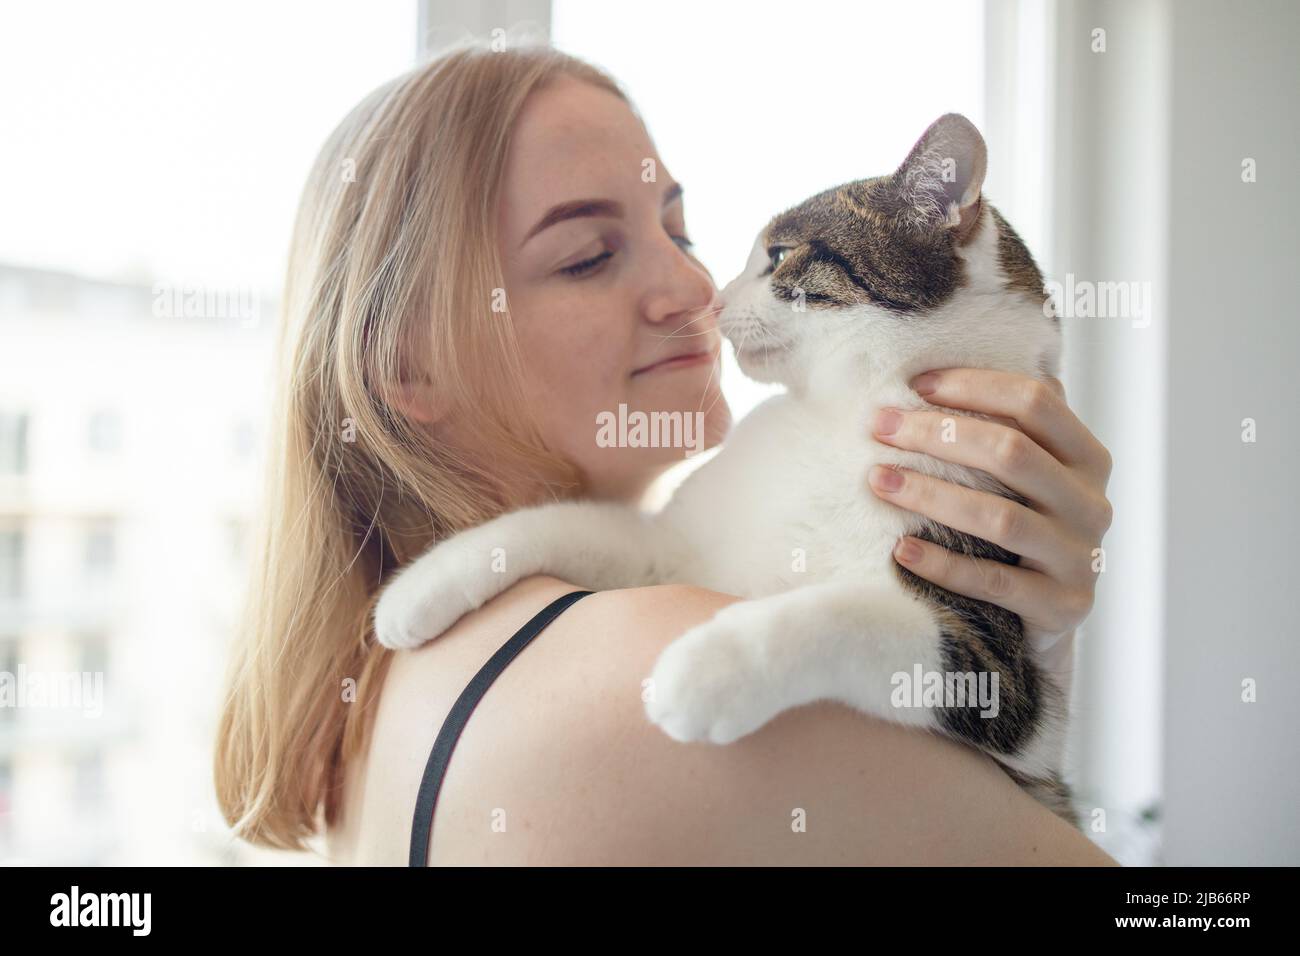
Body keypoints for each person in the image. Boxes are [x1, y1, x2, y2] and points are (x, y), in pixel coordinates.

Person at [215, 41, 1116, 866]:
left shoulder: (393, 688)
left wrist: (1010, 611)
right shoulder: (656, 664)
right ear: (407, 367)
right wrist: (1038, 660)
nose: (693, 287)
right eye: (587, 256)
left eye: (677, 232)